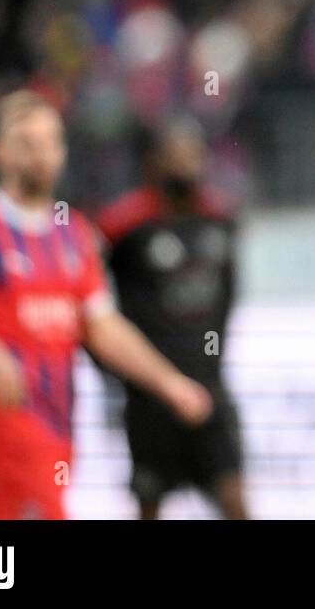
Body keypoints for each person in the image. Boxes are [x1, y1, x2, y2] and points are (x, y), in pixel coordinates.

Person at [0, 90, 212, 519]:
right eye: (26, 143)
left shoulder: (75, 234)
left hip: (60, 423)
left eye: (51, 142)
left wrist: (169, 382)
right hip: (5, 418)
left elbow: (102, 327)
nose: (41, 154)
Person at [96, 118, 247, 519]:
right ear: (154, 162)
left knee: (235, 501)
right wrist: (115, 369)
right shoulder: (123, 227)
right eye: (176, 153)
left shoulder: (220, 219)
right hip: (149, 401)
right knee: (150, 506)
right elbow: (90, 303)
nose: (187, 162)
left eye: (194, 153)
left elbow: (228, 297)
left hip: (209, 391)